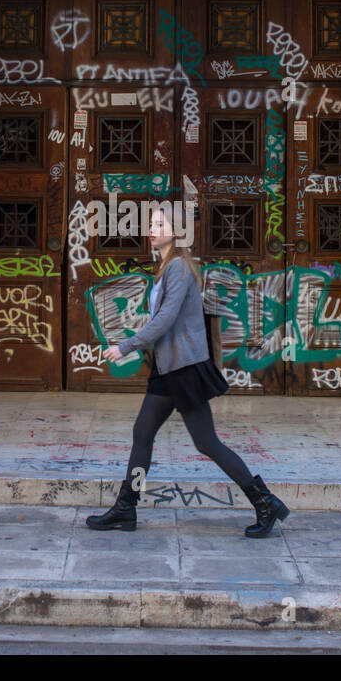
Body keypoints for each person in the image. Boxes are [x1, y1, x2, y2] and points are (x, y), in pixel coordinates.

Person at [87, 207, 290, 538]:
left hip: (181, 369)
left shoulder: (179, 268)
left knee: (207, 443)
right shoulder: (166, 268)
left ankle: (265, 503)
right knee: (143, 434)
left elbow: (164, 320)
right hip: (168, 368)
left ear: (177, 232)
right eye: (150, 224)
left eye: (159, 224)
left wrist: (125, 346)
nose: (151, 229)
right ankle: (127, 507)